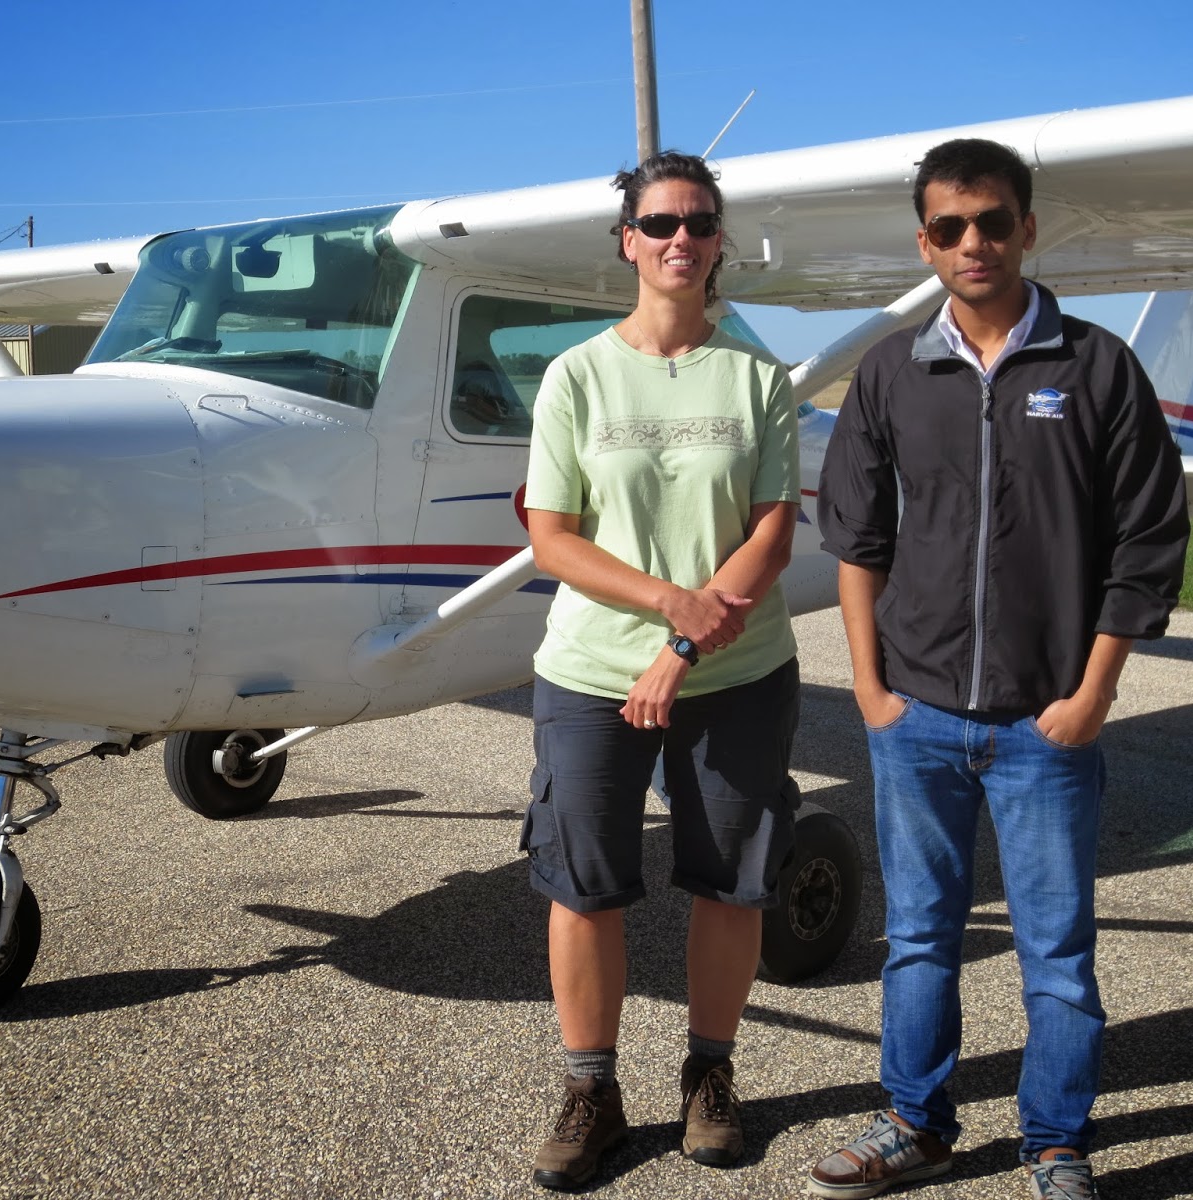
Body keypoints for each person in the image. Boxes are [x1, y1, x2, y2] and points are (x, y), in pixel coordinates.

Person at [810, 139, 1188, 1200]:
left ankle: (1055, 1143)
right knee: (919, 939)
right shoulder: (891, 371)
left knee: (1056, 953)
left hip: (1044, 724)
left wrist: (1092, 696)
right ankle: (915, 1123)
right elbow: (856, 542)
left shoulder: (1097, 366)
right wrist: (872, 691)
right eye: (948, 227)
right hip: (916, 717)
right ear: (924, 242)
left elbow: (1148, 541)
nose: (971, 242)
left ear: (1025, 228)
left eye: (990, 222)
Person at [519, 150, 803, 1190]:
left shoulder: (758, 378)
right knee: (583, 886)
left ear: (719, 241)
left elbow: (772, 536)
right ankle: (590, 1091)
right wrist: (667, 605)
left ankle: (709, 1077)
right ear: (627, 242)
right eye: (660, 223)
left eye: (699, 222)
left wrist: (685, 644)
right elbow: (552, 537)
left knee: (730, 883)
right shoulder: (576, 376)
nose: (680, 238)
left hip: (737, 673)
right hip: (592, 671)